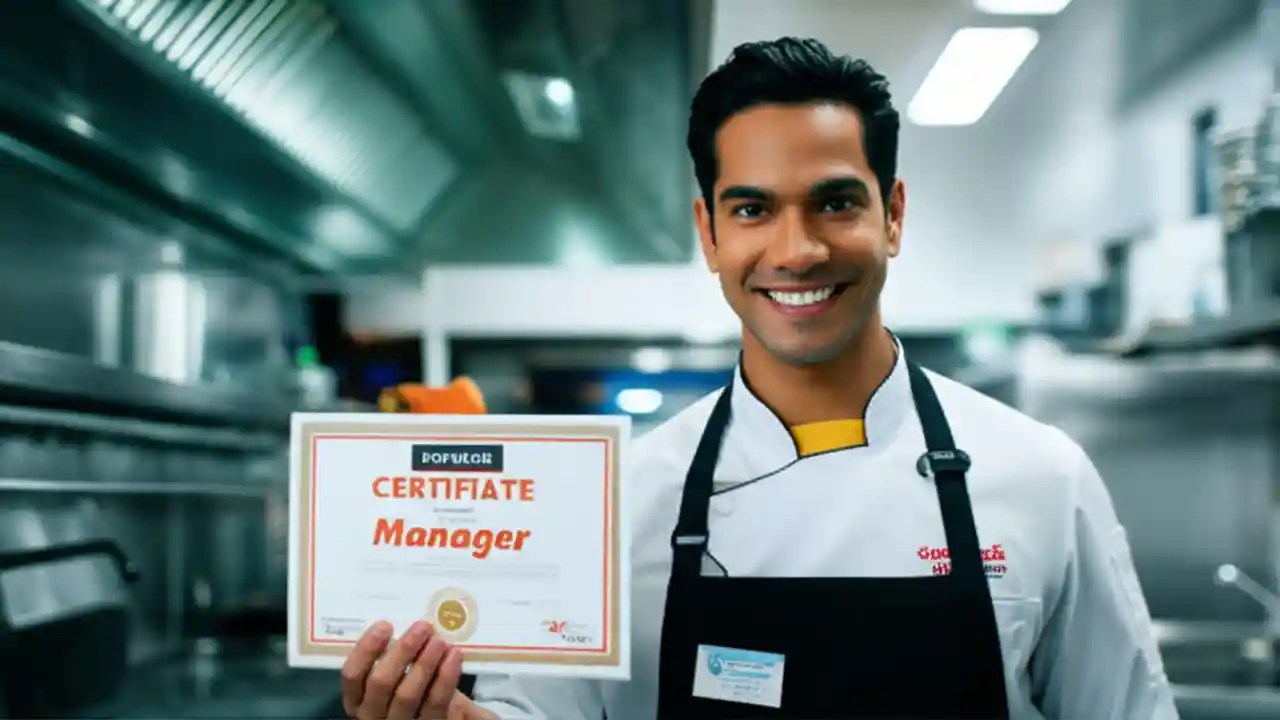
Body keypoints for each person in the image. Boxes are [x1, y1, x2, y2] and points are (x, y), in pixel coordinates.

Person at [338, 37, 1178, 720]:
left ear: (893, 215)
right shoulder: (620, 498)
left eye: (836, 203)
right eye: (752, 209)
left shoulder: (1038, 476)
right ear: (709, 233)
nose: (797, 249)